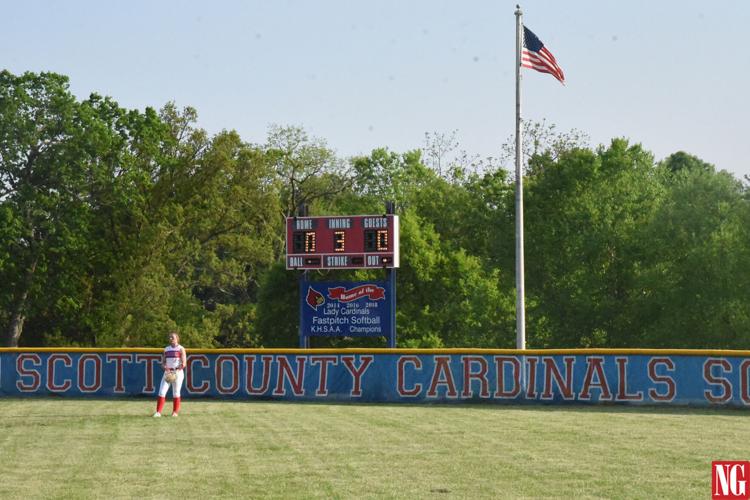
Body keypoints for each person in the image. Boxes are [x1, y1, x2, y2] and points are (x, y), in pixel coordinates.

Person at [153, 331, 187, 417]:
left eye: (173, 337)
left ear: (177, 339)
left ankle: (175, 412)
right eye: (170, 337)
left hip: (177, 373)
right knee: (162, 391)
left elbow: (184, 363)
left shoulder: (181, 349)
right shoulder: (166, 349)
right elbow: (163, 362)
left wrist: (177, 370)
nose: (171, 338)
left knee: (176, 392)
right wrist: (165, 368)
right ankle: (158, 412)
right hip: (167, 372)